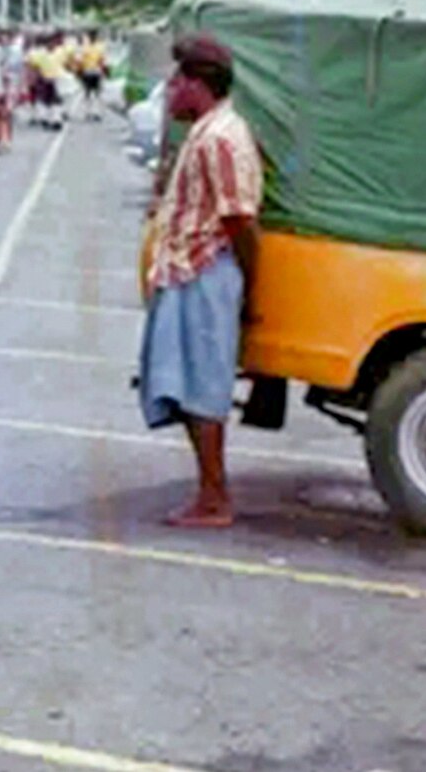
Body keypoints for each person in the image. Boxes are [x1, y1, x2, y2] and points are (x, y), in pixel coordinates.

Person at [139, 35, 261, 530]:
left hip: (203, 272)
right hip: (186, 269)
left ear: (197, 84)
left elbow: (239, 219)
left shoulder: (219, 139)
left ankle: (214, 497)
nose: (170, 91)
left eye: (177, 82)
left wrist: (249, 284)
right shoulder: (208, 131)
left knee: (203, 386)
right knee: (185, 383)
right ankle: (209, 491)